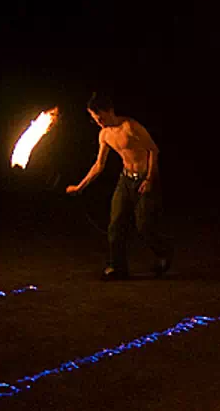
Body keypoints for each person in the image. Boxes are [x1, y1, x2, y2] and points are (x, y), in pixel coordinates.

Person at [66, 93, 172, 280]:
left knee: (145, 226)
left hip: (144, 179)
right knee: (115, 224)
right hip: (125, 180)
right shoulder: (104, 134)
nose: (98, 122)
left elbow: (154, 150)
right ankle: (117, 267)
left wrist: (149, 179)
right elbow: (99, 165)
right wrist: (80, 187)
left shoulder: (130, 127)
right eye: (94, 119)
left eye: (100, 117)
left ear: (109, 111)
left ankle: (164, 252)